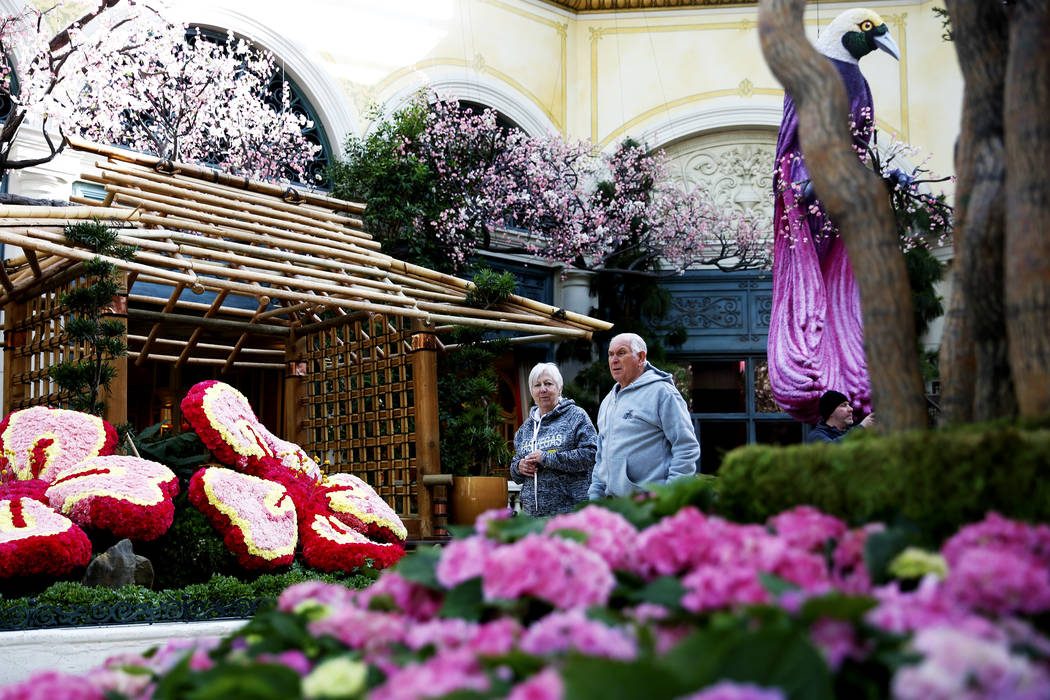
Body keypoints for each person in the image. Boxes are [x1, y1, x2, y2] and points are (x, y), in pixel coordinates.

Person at [588, 333, 700, 499]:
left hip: (650, 506)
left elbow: (686, 448)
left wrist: (668, 497)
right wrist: (595, 496)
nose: (614, 360)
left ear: (640, 357)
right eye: (611, 354)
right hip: (613, 506)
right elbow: (601, 456)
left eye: (621, 353)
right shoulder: (607, 401)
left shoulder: (663, 393)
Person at [509, 362, 597, 516]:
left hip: (570, 514)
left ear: (559, 388)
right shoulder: (525, 429)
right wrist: (519, 467)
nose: (543, 389)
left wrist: (547, 458)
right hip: (532, 518)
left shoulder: (576, 416)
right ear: (532, 391)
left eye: (548, 383)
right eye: (537, 385)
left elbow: (591, 454)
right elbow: (515, 471)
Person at [807, 389, 875, 443]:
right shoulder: (816, 436)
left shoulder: (850, 432)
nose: (851, 409)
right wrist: (861, 428)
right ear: (831, 412)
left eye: (849, 405)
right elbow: (832, 451)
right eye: (844, 406)